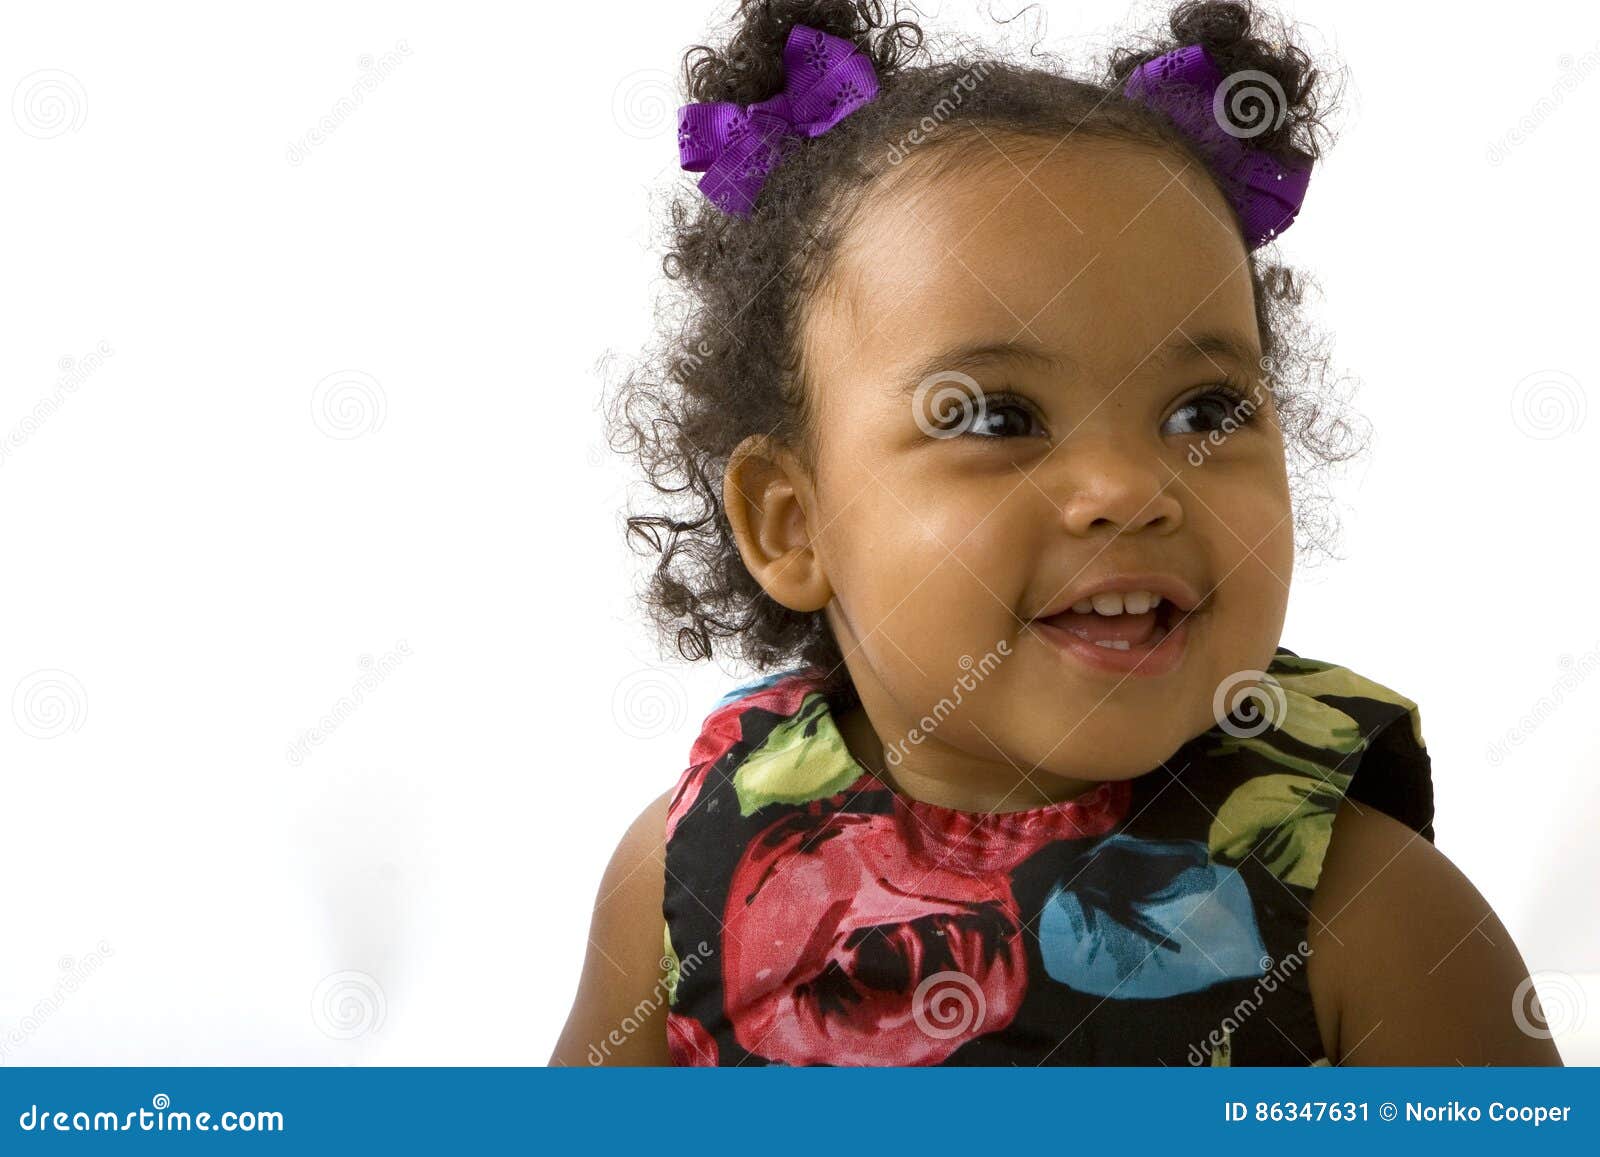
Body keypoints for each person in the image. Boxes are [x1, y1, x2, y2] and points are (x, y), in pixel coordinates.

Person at [550, 0, 1564, 1066]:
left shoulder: (1364, 914)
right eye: (994, 416)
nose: (1129, 488)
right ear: (791, 522)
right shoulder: (685, 879)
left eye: (1202, 412)